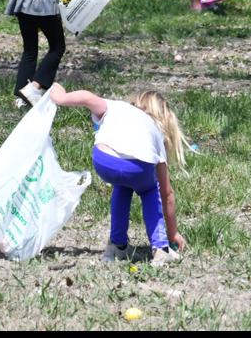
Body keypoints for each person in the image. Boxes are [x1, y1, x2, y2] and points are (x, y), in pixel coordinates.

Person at [46, 82, 188, 264]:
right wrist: (173, 232)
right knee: (150, 190)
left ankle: (117, 246)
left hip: (103, 159)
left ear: (135, 103)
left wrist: (62, 98)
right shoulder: (156, 132)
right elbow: (167, 194)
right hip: (138, 168)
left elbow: (88, 98)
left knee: (122, 185)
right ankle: (161, 248)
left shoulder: (117, 107)